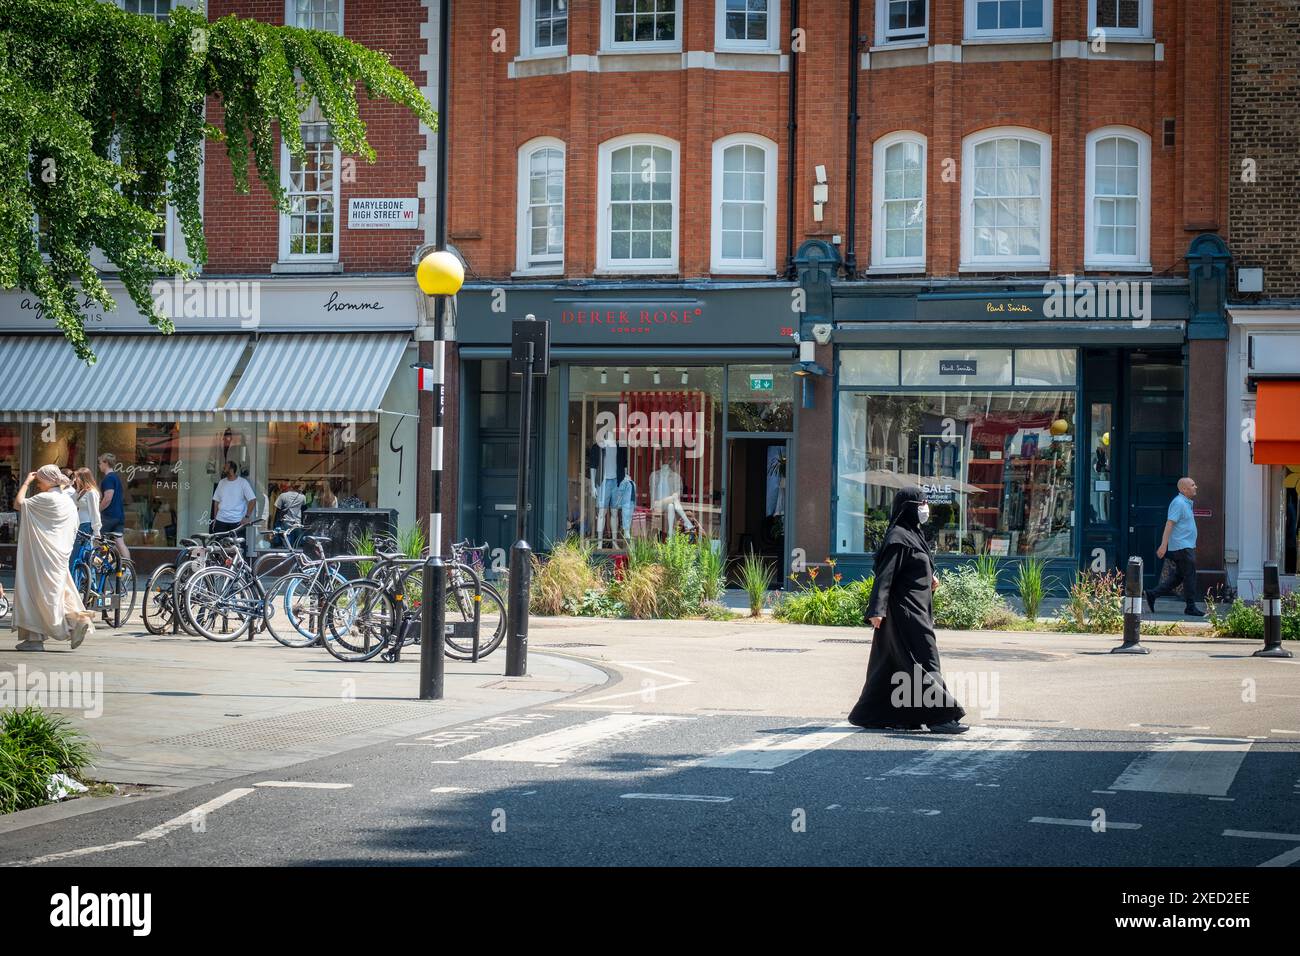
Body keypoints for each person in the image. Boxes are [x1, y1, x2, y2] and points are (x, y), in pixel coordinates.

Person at [847, 486, 969, 734]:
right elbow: (885, 576)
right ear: (908, 508)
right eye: (921, 503)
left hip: (917, 609)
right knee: (924, 660)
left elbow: (913, 568)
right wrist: (877, 610)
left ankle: (885, 714)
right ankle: (940, 717)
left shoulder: (914, 534)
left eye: (926, 502)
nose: (925, 508)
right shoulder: (898, 537)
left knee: (894, 664)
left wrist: (930, 578)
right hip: (904, 613)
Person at [11, 465, 94, 651]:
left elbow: (18, 503)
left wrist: (26, 482)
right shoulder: (67, 501)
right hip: (58, 555)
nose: (38, 485)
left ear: (48, 480)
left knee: (39, 594)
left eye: (39, 482)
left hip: (42, 557)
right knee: (58, 591)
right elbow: (73, 527)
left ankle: (59, 630)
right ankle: (73, 622)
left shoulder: (45, 498)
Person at [1146, 476, 1205, 617]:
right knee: (1190, 575)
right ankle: (1190, 607)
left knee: (1179, 576)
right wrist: (1163, 545)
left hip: (1185, 546)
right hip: (1182, 547)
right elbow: (1169, 524)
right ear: (1184, 489)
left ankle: (1153, 594)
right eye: (1193, 485)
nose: (1195, 487)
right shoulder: (1178, 503)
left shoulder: (1186, 503)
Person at [211, 460, 257, 544]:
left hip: (237, 521)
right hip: (221, 520)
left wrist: (247, 517)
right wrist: (215, 519)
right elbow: (216, 502)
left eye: (225, 467)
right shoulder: (221, 482)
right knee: (219, 548)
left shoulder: (242, 482)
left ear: (231, 469)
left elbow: (252, 500)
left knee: (238, 548)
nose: (223, 468)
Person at [97, 453, 131, 564]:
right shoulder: (116, 477)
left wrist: (98, 510)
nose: (99, 465)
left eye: (100, 463)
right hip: (118, 515)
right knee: (119, 542)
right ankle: (128, 569)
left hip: (109, 516)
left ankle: (100, 563)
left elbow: (108, 498)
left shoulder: (108, 479)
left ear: (106, 463)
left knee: (96, 538)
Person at [273, 481, 307, 546]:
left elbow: (277, 511)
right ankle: (296, 554)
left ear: (291, 486)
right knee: (297, 543)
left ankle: (288, 554)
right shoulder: (302, 497)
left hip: (286, 521)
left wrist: (275, 522)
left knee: (287, 542)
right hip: (297, 522)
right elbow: (303, 509)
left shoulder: (282, 495)